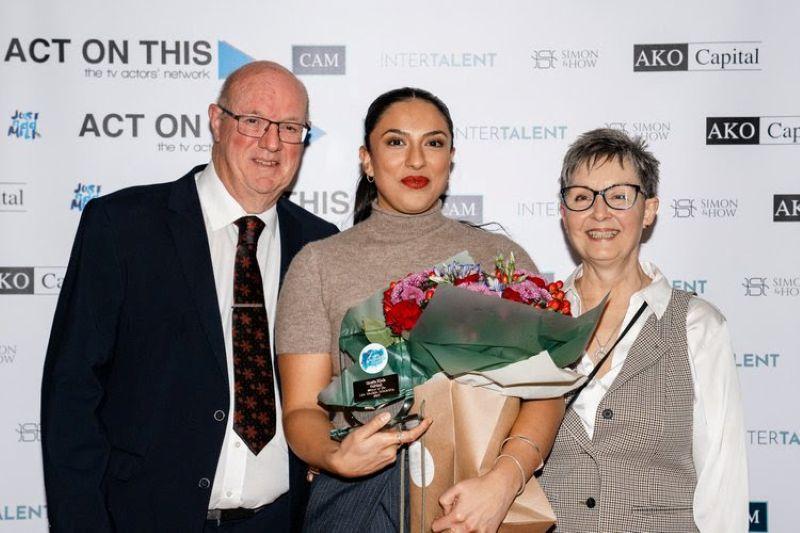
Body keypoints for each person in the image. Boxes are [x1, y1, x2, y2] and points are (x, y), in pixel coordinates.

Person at [40, 61, 338, 532]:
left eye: (290, 127)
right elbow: (72, 393)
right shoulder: (123, 227)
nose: (272, 142)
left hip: (281, 521)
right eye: (253, 121)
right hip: (145, 518)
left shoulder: (319, 245)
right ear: (216, 122)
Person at [276, 87, 565, 533]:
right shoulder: (318, 263)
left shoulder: (499, 258)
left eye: (433, 143)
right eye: (396, 142)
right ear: (367, 160)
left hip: (479, 498)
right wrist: (336, 454)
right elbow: (301, 410)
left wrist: (504, 481)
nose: (416, 161)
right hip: (360, 496)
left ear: (451, 158)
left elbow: (546, 390)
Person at [539, 128, 748, 532]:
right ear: (564, 214)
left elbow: (723, 480)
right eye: (582, 197)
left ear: (649, 209)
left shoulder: (698, 325)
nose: (600, 213)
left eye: (619, 196)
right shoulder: (533, 320)